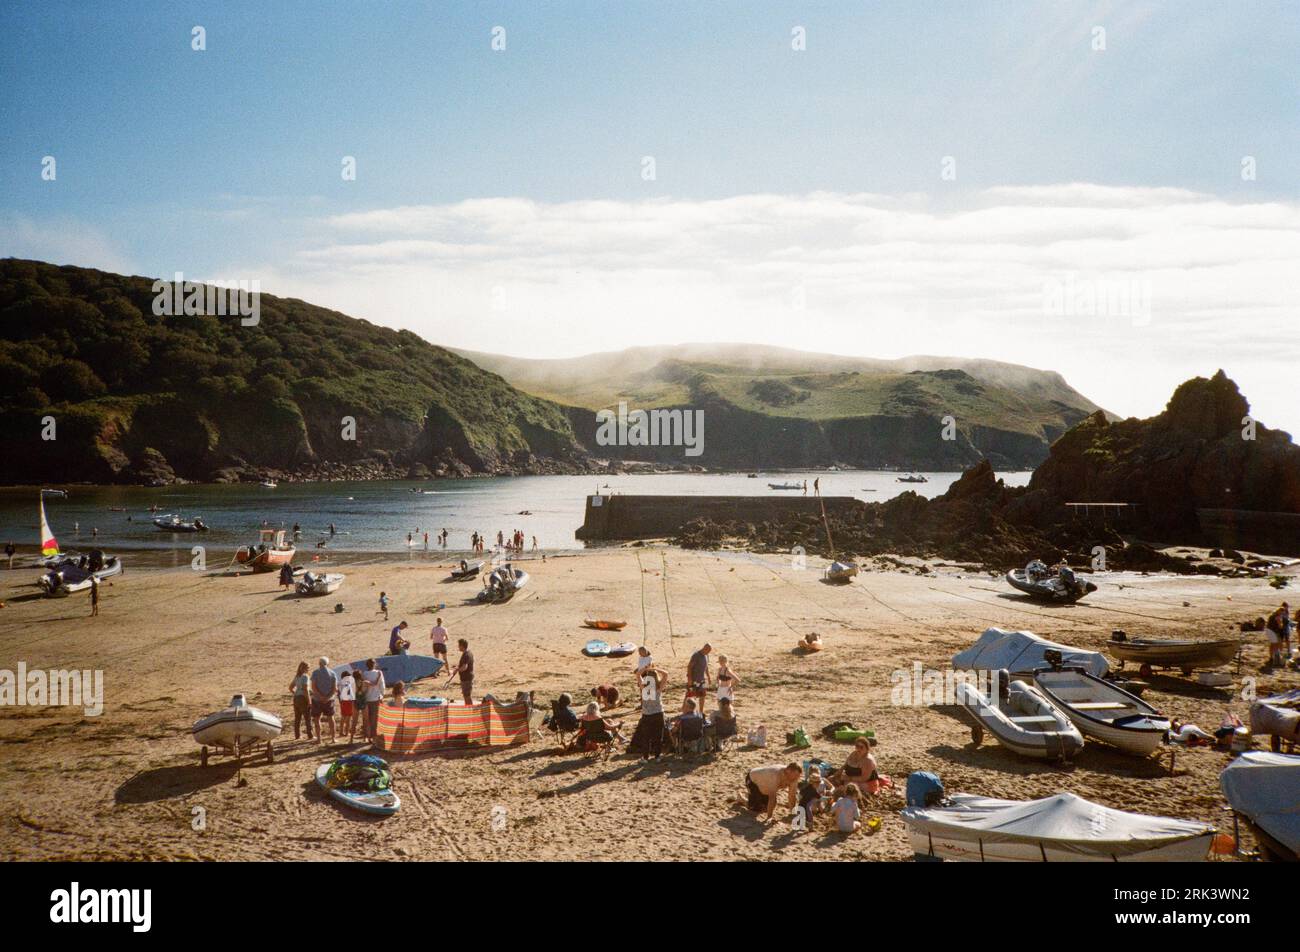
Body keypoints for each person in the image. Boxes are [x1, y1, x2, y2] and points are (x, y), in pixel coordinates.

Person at [632, 666, 667, 760]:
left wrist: (646, 669)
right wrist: (655, 668)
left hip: (647, 715)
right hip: (658, 713)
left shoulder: (644, 688)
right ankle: (657, 756)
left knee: (646, 737)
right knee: (658, 736)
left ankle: (645, 757)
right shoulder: (658, 689)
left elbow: (638, 674)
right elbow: (666, 674)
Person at [310, 657, 338, 744]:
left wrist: (320, 696)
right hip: (329, 700)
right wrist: (327, 697)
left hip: (317, 700)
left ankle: (319, 739)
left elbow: (313, 687)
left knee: (317, 719)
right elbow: (334, 688)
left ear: (319, 663)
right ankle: (333, 738)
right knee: (331, 718)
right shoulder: (332, 673)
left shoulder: (315, 673)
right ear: (327, 664)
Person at [685, 643, 713, 718]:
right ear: (704, 648)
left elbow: (706, 667)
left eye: (709, 651)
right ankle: (686, 711)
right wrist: (689, 679)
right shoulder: (696, 655)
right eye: (708, 651)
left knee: (703, 696)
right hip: (694, 679)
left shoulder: (706, 655)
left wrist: (709, 677)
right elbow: (689, 667)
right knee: (690, 695)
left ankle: (701, 711)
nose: (708, 652)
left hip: (702, 679)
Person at [361, 658, 385, 741]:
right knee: (374, 719)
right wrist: (382, 695)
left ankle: (366, 736)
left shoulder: (364, 674)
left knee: (366, 718)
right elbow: (382, 686)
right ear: (375, 664)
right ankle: (373, 736)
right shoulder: (379, 673)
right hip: (376, 698)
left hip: (367, 698)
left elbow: (363, 687)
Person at [289, 661, 313, 740]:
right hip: (303, 698)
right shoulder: (305, 676)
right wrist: (309, 701)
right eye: (308, 668)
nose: (309, 669)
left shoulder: (297, 676)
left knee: (297, 718)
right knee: (307, 717)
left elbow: (290, 687)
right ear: (305, 668)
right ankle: (310, 735)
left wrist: (295, 693)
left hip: (296, 698)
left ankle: (297, 735)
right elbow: (305, 689)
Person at [448, 639, 474, 704]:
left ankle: (469, 710)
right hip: (466, 678)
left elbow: (465, 667)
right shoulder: (467, 653)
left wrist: (457, 669)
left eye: (459, 646)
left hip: (466, 678)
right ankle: (468, 709)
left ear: (462, 646)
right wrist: (457, 667)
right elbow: (463, 666)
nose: (458, 647)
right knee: (466, 695)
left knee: (467, 696)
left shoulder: (466, 655)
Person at [1266, 602, 1290, 668]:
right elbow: (1280, 626)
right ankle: (1275, 659)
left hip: (1272, 631)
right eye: (1281, 612)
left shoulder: (1276, 616)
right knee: (1275, 644)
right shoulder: (1277, 617)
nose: (1282, 614)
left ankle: (1273, 658)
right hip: (1273, 631)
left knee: (1274, 644)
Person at [337, 663, 356, 740]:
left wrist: (340, 701)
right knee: (348, 717)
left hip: (342, 701)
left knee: (343, 716)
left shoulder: (339, 683)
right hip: (349, 701)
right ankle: (346, 732)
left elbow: (338, 693)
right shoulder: (348, 684)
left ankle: (341, 731)